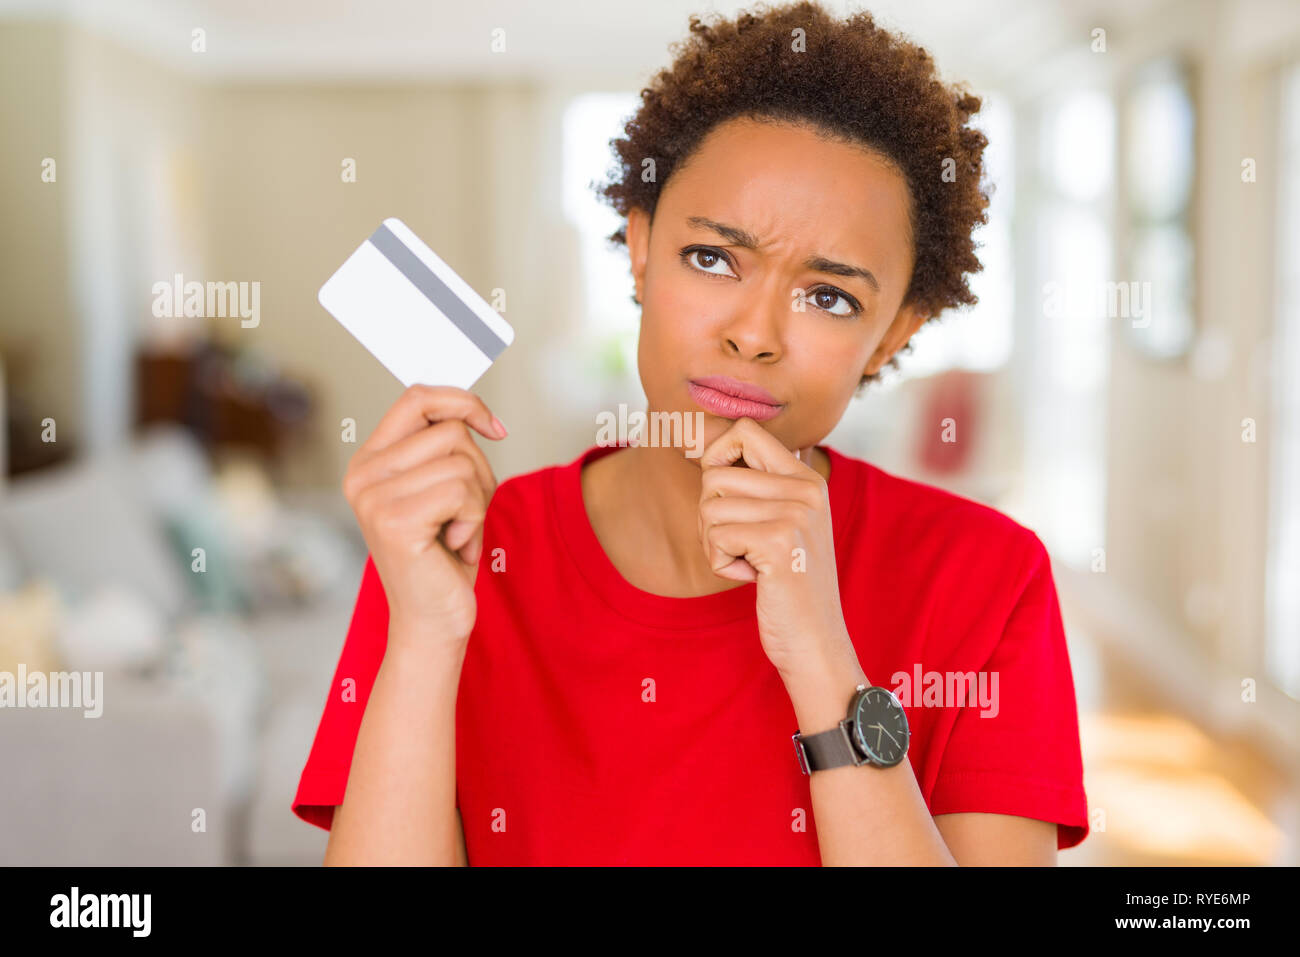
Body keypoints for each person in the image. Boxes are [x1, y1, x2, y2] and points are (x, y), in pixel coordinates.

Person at [292, 0, 1089, 865]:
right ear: (639, 250)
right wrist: (424, 636)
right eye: (712, 257)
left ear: (895, 332)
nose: (753, 333)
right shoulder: (452, 554)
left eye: (830, 295)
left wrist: (822, 658)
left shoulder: (988, 579)